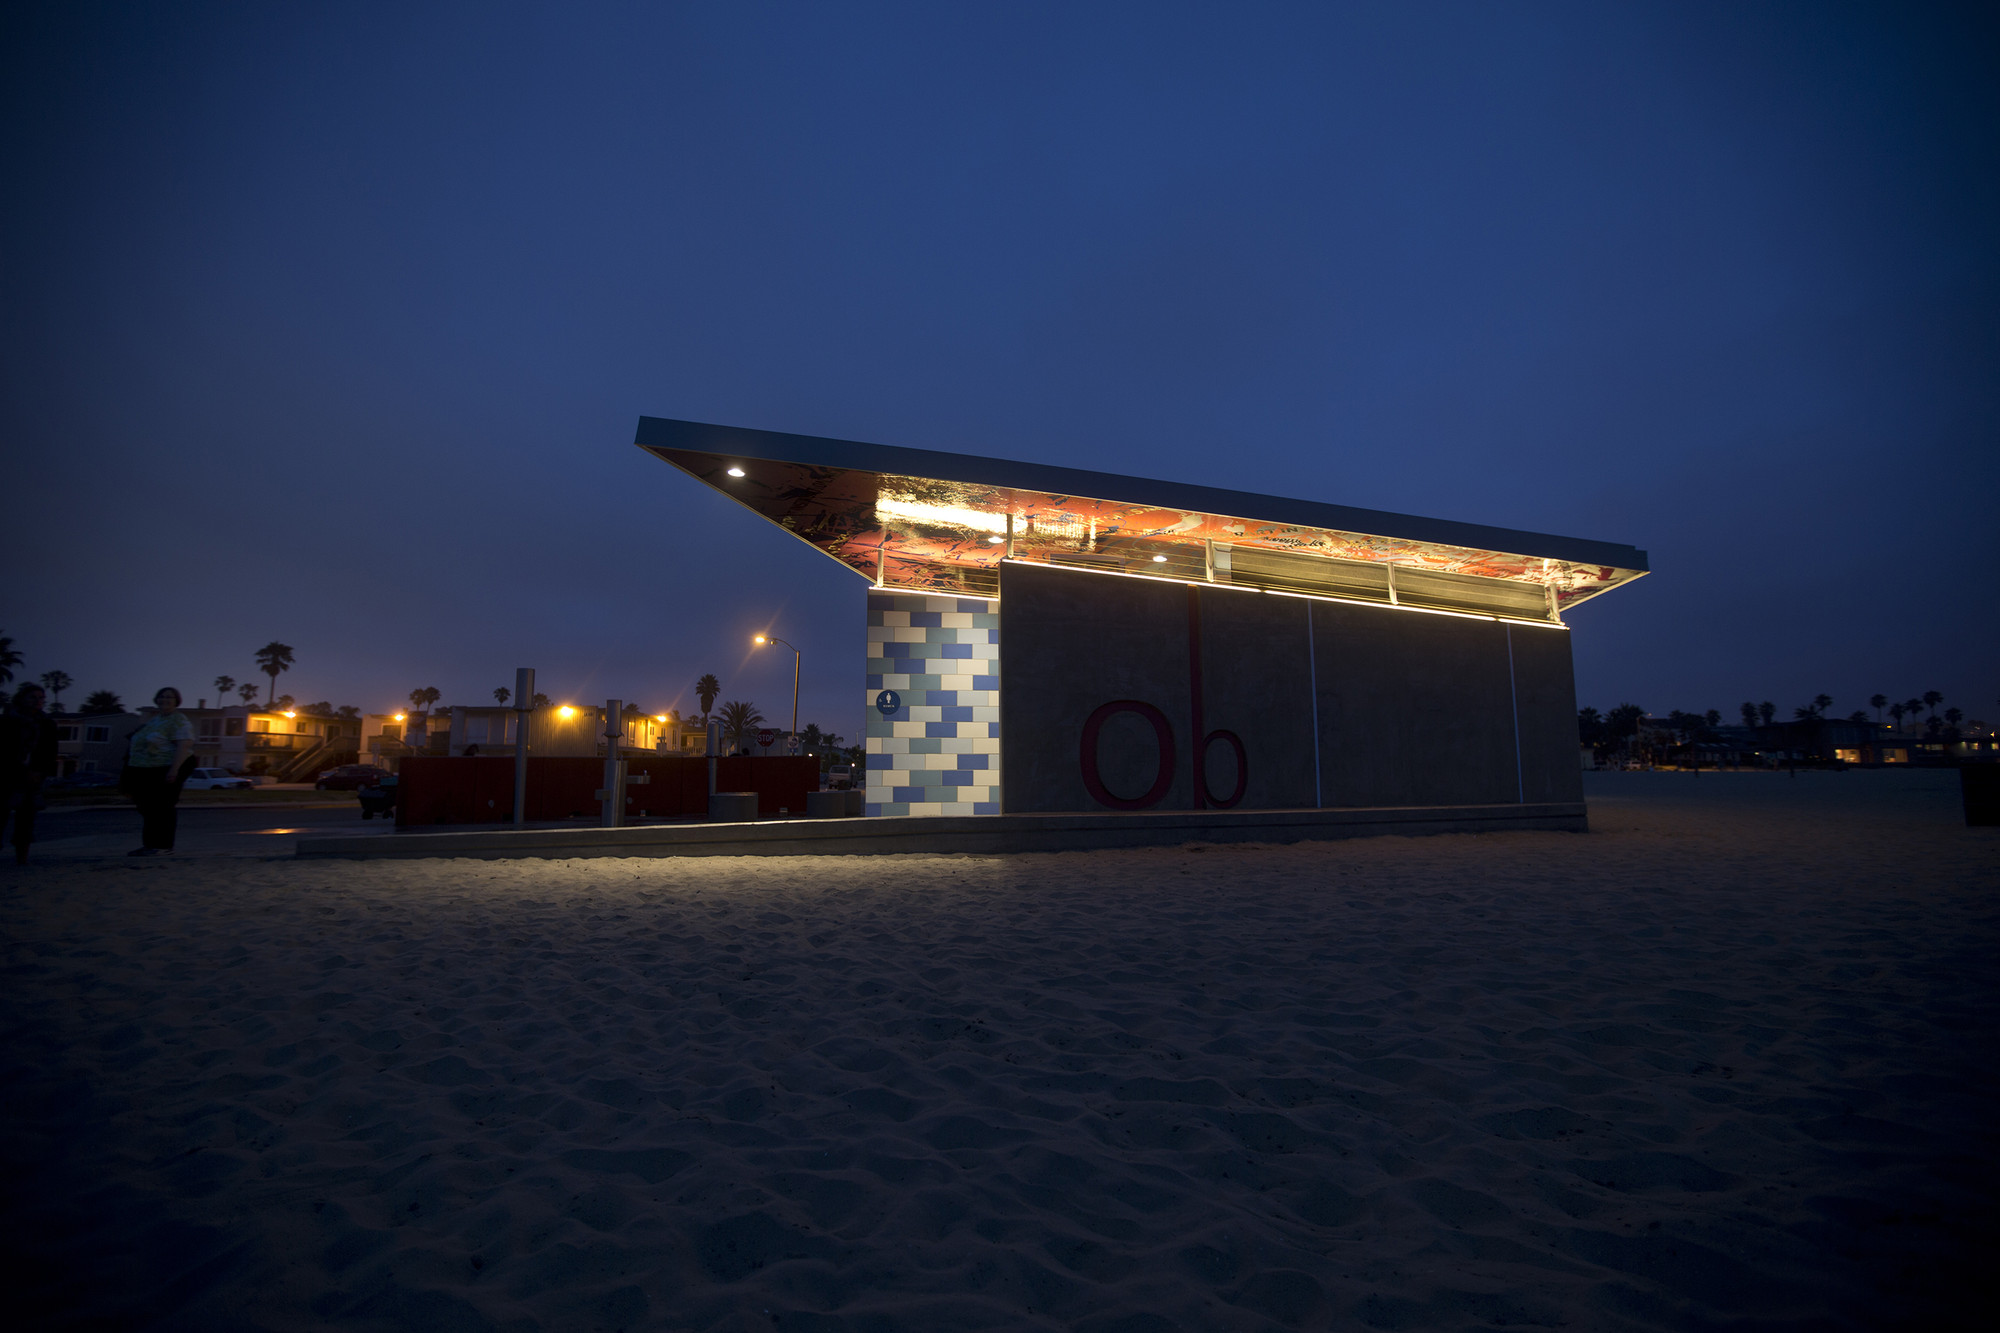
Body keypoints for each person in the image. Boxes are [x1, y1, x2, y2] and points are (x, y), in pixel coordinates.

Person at [122, 687, 195, 856]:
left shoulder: (179, 720)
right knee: (147, 807)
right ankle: (149, 845)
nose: (165, 700)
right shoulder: (155, 720)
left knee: (163, 806)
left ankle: (164, 846)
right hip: (145, 768)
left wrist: (173, 770)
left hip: (167, 766)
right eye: (162, 697)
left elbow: (184, 746)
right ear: (156, 699)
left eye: (170, 697)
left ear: (177, 701)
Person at [0, 683, 58, 865]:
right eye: (33, 697)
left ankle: (22, 857)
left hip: (33, 776)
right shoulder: (8, 721)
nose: (38, 701)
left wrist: (40, 772)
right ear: (22, 699)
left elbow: (50, 751)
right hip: (6, 774)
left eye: (41, 698)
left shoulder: (47, 723)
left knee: (26, 819)